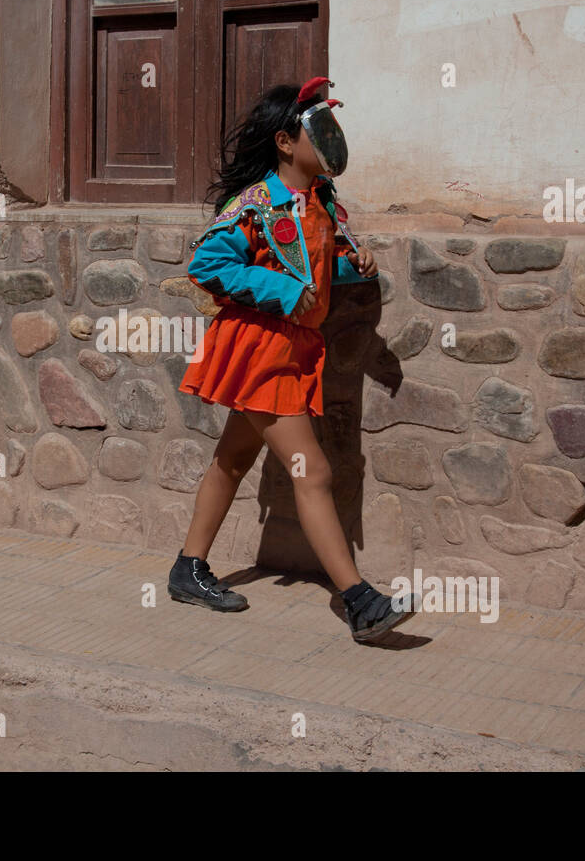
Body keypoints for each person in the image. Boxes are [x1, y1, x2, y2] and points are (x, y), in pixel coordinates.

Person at [171, 76, 412, 644]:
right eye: (319, 130)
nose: (331, 140)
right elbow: (207, 262)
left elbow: (316, 265)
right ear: (286, 141)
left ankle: (188, 568)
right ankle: (359, 602)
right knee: (314, 470)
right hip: (260, 347)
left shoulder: (323, 204)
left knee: (232, 461)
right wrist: (280, 293)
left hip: (292, 347)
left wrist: (358, 265)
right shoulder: (254, 204)